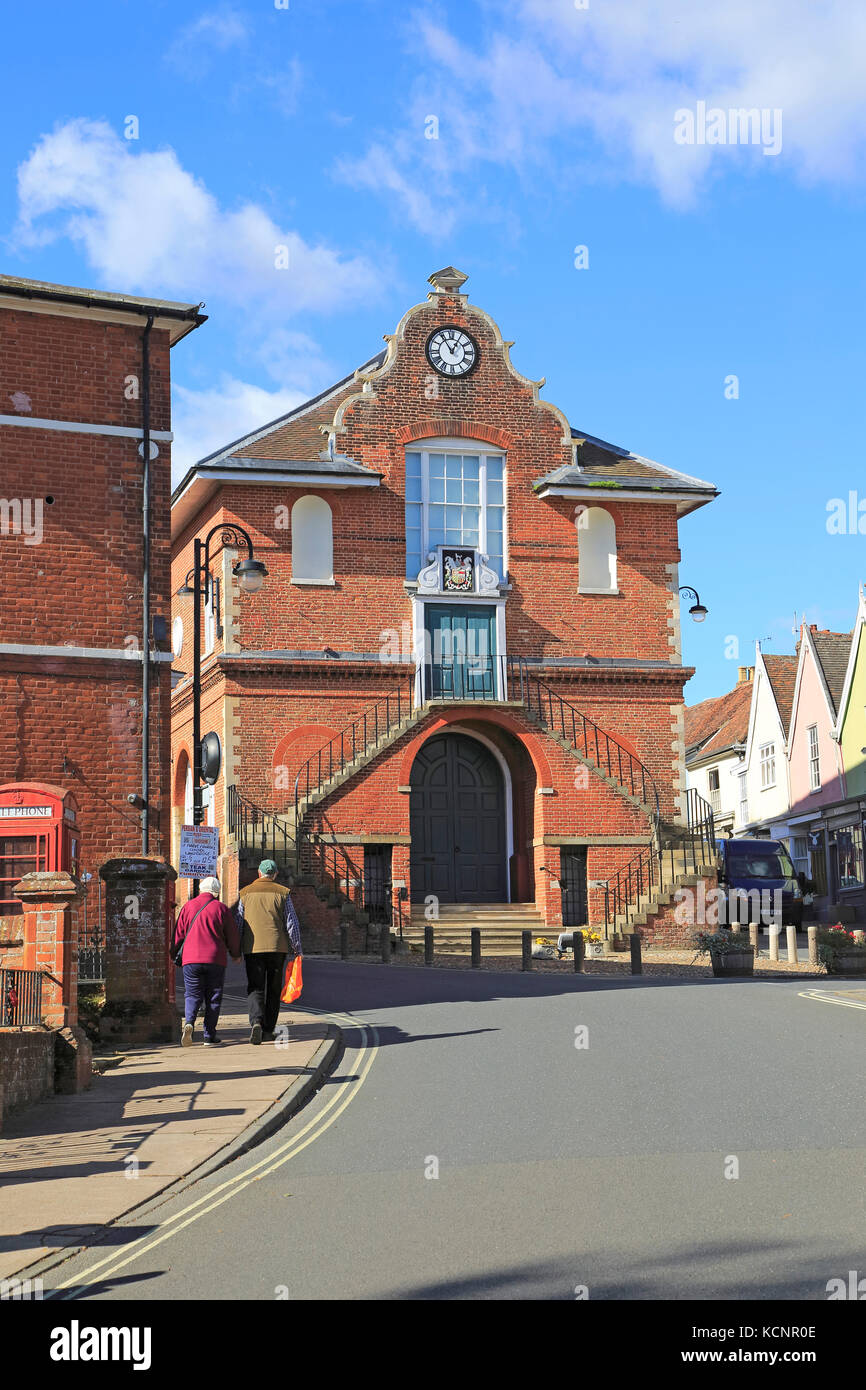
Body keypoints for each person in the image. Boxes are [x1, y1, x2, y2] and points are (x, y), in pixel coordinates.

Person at [236, 859, 302, 1045]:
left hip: (252, 948)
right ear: (275, 874)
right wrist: (297, 948)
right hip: (277, 948)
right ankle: (268, 1030)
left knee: (255, 986)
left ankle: (256, 1021)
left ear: (258, 873)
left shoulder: (245, 893)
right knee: (273, 989)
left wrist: (236, 949)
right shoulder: (283, 892)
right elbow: (292, 924)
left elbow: (239, 923)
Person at [172, 876, 241, 1048]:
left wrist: (173, 953)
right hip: (215, 959)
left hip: (191, 959)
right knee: (213, 997)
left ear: (201, 889)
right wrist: (235, 953)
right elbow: (232, 935)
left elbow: (178, 934)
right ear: (216, 893)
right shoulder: (222, 909)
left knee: (192, 994)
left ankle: (189, 1022)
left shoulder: (188, 907)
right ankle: (209, 1035)